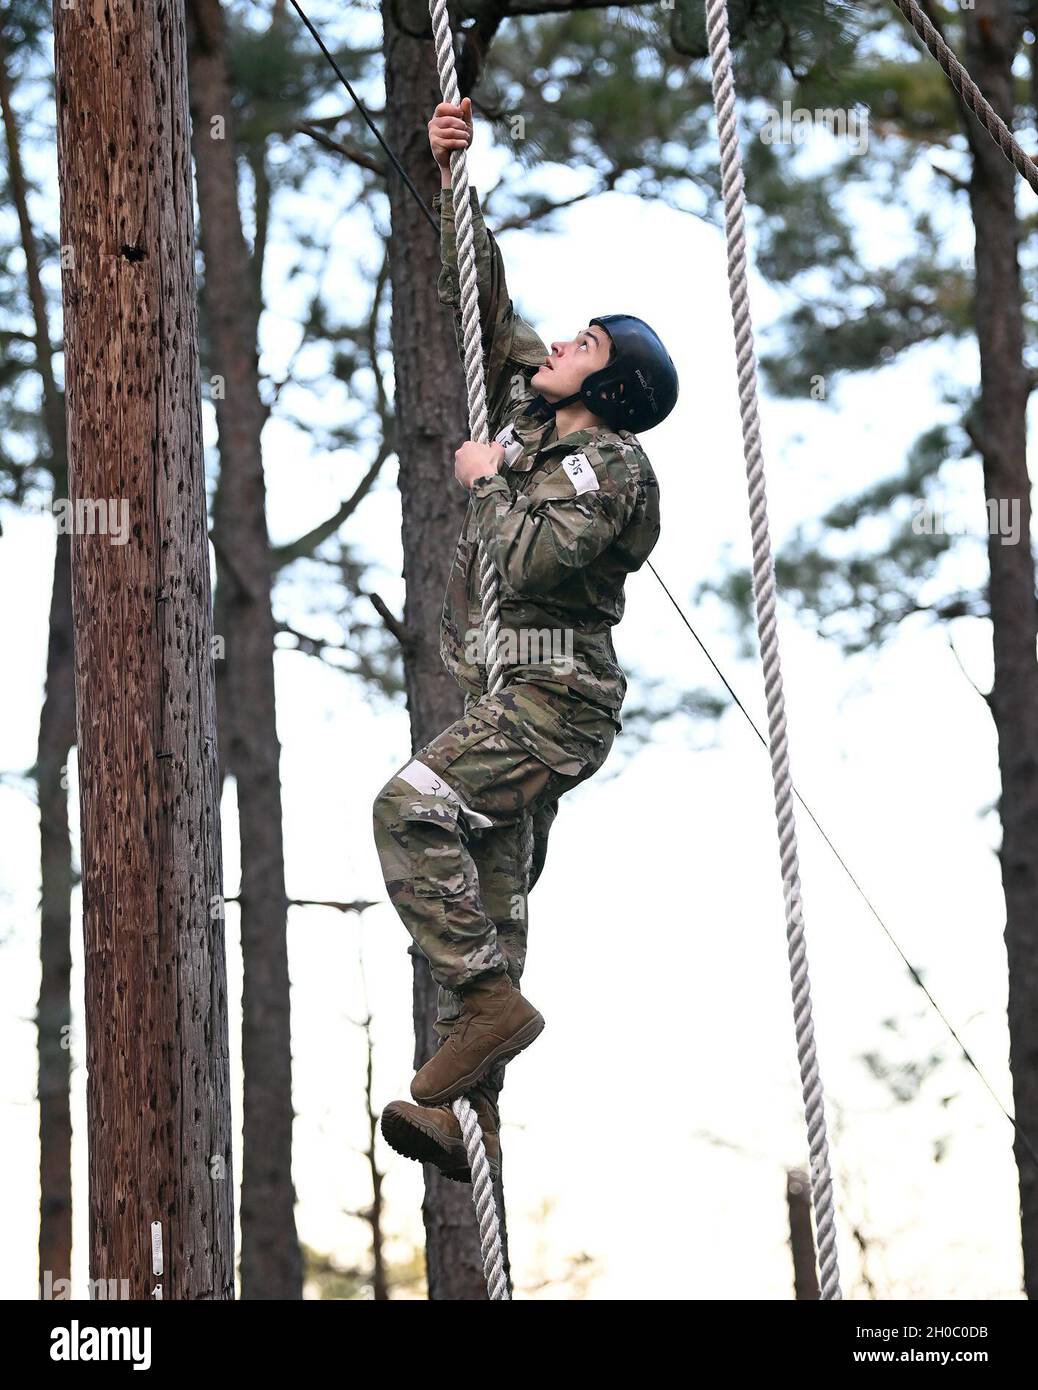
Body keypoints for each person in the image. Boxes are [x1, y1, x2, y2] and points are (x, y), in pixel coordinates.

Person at [374, 98, 678, 1183]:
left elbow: (541, 560)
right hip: (510, 703)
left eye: (583, 345)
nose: (558, 344)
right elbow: (484, 296)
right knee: (490, 905)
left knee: (408, 808)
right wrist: (455, 174)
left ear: (612, 387)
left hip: (556, 707)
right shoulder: (535, 414)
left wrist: (491, 478)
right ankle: (460, 1108)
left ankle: (494, 1009)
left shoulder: (616, 471)